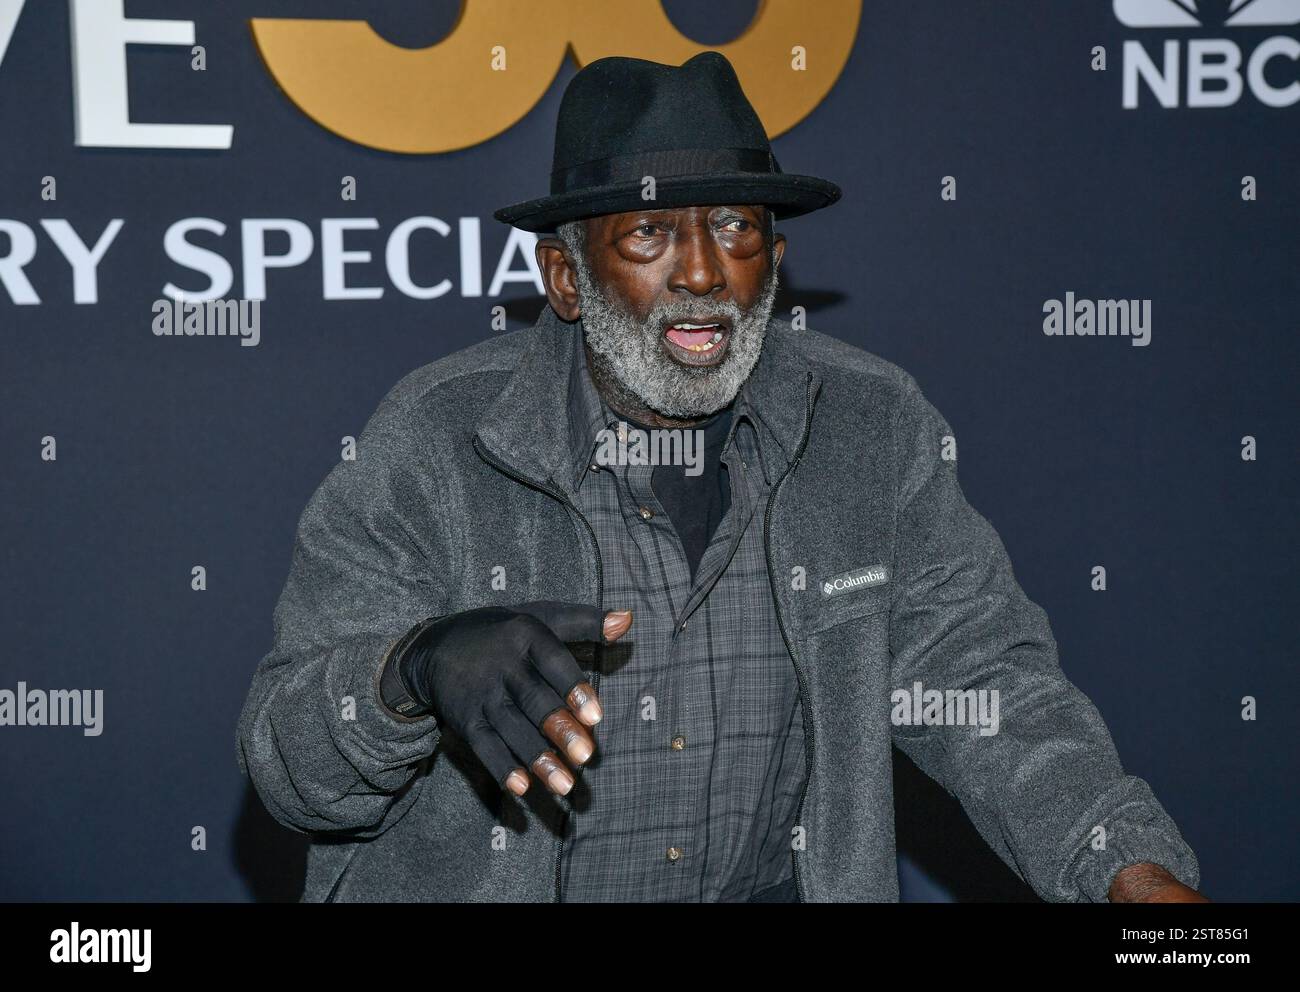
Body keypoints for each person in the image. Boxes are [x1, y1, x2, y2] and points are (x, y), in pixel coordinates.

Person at [236, 51, 1204, 904]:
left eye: (735, 226)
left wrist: (1128, 871)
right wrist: (411, 669)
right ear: (566, 277)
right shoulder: (438, 443)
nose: (702, 271)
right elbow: (287, 765)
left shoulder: (870, 429)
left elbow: (987, 688)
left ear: (773, 262)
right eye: (649, 234)